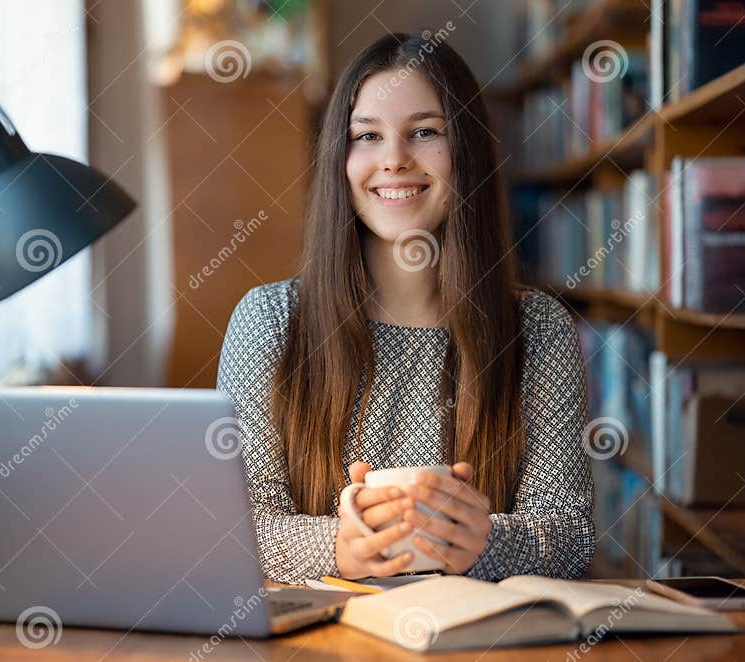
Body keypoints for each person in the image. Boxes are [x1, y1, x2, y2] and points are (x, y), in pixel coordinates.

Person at [216, 32, 594, 584]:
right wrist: (337, 548)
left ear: (465, 149)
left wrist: (483, 541)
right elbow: (236, 528)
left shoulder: (539, 329)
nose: (393, 160)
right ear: (339, 161)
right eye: (367, 135)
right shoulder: (270, 320)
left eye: (423, 132)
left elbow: (570, 536)